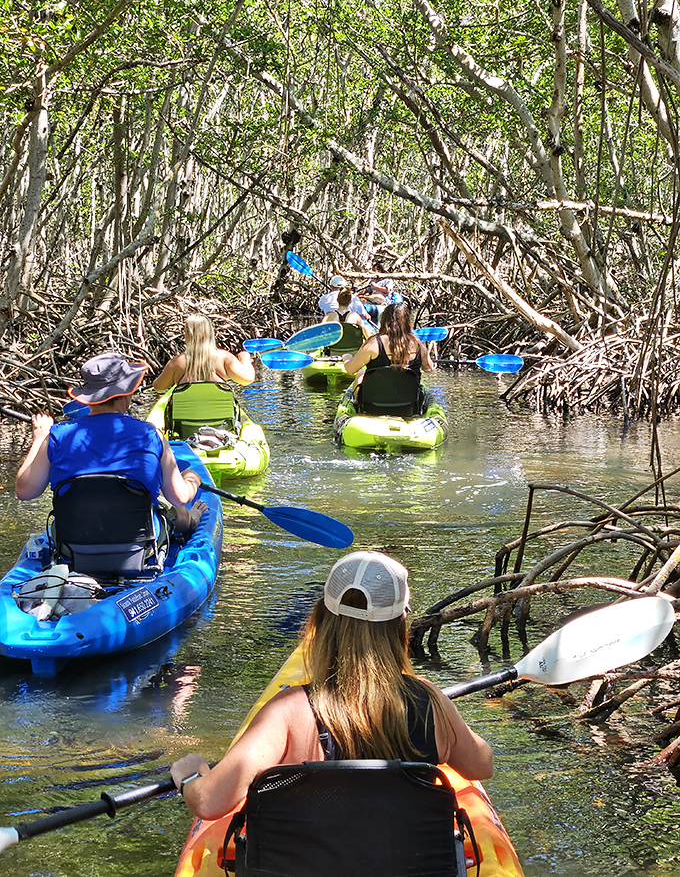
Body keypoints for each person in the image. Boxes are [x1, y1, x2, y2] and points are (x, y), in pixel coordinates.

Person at [170, 551, 493, 820]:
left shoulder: (289, 714)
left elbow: (209, 803)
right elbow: (482, 765)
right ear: (400, 626)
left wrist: (191, 775)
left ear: (321, 620)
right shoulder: (430, 702)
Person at [15, 352, 205, 532]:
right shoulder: (150, 434)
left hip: (73, 546)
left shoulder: (56, 436)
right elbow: (179, 497)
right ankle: (193, 520)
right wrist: (191, 481)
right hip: (138, 547)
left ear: (87, 397)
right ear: (127, 392)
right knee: (174, 508)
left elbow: (25, 491)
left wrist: (39, 438)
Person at [342, 302, 435, 394]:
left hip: (375, 403)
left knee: (360, 374)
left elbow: (350, 370)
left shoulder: (374, 344)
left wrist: (347, 358)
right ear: (407, 322)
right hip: (409, 404)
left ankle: (359, 406)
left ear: (384, 320)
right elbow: (429, 368)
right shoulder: (417, 344)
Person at [152, 314, 255, 392]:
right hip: (218, 418)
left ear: (187, 334)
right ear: (210, 332)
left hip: (186, 419)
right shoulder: (224, 357)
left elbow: (158, 387)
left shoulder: (177, 362)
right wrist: (246, 360)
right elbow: (248, 379)